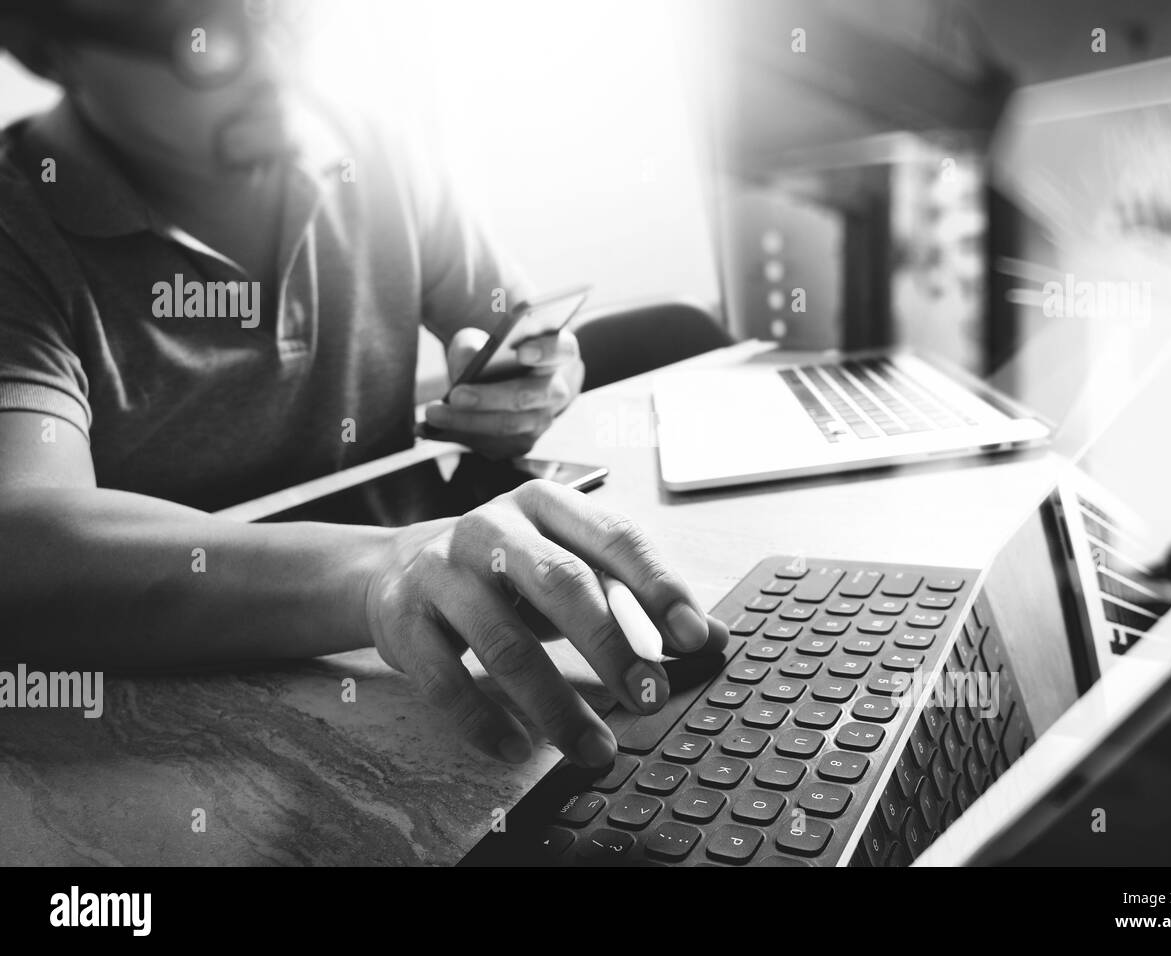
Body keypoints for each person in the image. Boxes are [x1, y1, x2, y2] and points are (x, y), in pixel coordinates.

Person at [0, 2, 725, 769]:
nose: (280, 67)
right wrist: (378, 571)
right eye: (203, 47)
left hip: (412, 674)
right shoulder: (18, 232)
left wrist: (531, 386)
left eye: (284, 16)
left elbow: (521, 332)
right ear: (48, 51)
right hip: (160, 746)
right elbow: (21, 543)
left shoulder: (370, 148)